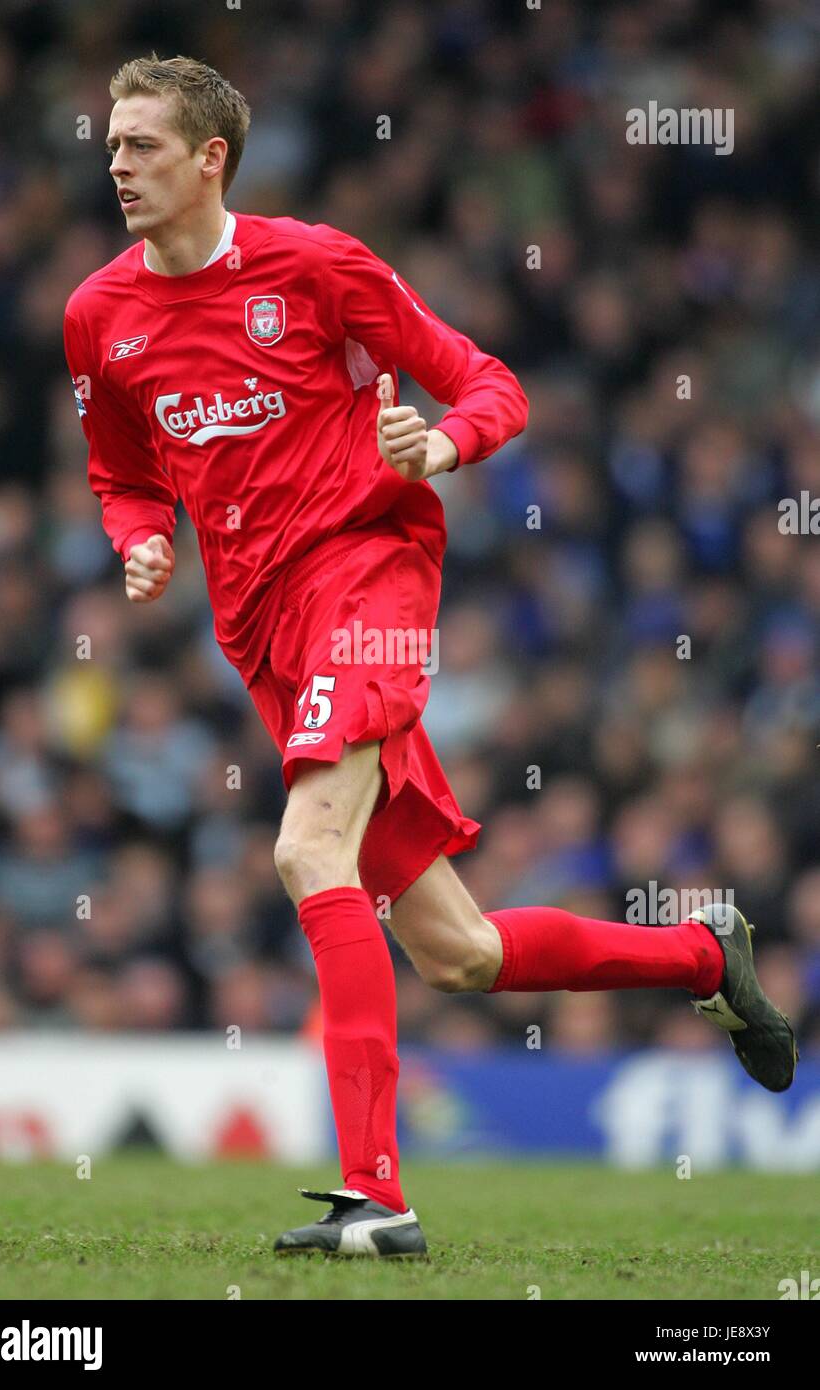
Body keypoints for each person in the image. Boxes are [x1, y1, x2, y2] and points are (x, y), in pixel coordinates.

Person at [63, 55, 798, 1259]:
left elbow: (487, 382)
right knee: (457, 952)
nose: (117, 164)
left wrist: (439, 445)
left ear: (210, 160)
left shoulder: (315, 266)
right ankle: (704, 956)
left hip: (368, 574)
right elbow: (125, 470)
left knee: (307, 849)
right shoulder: (98, 314)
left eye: (141, 145)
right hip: (259, 628)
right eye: (109, 142)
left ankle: (376, 1195)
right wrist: (140, 539)